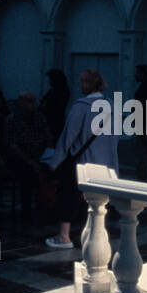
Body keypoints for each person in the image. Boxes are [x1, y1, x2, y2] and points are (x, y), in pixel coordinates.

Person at [45, 68, 119, 249]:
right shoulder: (111, 105)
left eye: (82, 82)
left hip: (83, 161)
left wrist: (54, 163)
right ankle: (96, 235)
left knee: (68, 195)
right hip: (105, 162)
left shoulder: (81, 107)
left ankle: (64, 237)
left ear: (87, 84)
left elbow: (68, 137)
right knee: (99, 201)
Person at [4, 91, 52, 219]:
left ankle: (47, 206)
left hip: (39, 155)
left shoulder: (39, 117)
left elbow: (48, 137)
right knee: (27, 173)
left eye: (33, 101)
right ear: (21, 103)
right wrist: (31, 162)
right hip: (20, 158)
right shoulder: (12, 120)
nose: (33, 105)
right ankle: (27, 212)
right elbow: (12, 146)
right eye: (29, 102)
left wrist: (48, 153)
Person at [39, 69, 71, 141]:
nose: (50, 81)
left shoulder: (60, 92)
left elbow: (52, 107)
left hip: (53, 123)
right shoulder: (54, 91)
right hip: (54, 122)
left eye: (51, 79)